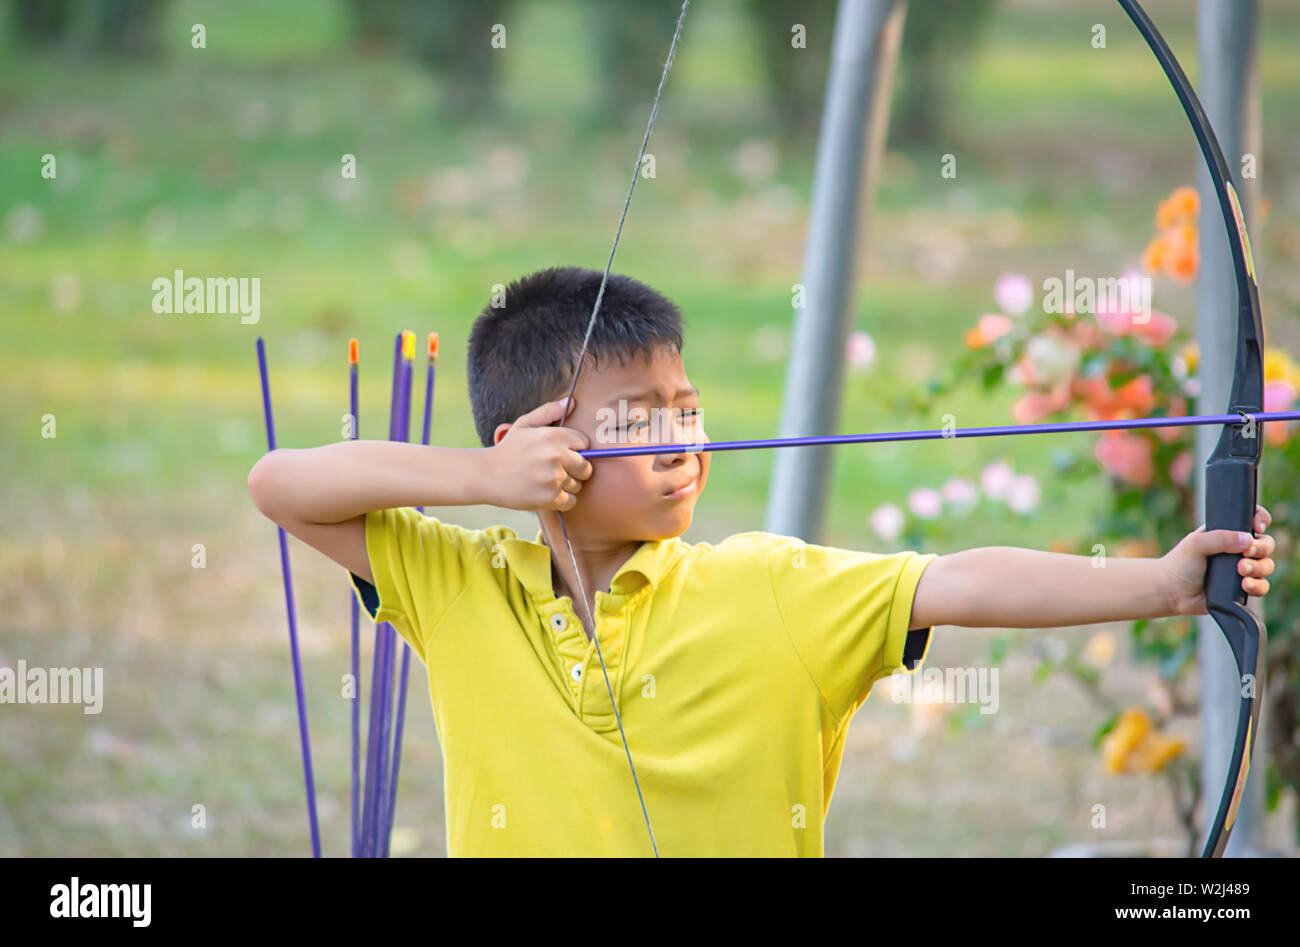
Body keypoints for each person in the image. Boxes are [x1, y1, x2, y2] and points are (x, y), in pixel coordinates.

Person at [247, 265, 1276, 856]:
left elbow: (957, 579)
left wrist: (1164, 582)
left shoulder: (771, 586)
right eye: (641, 420)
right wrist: (484, 476)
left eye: (688, 410)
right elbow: (277, 482)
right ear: (542, 441)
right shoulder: (459, 585)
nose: (684, 440)